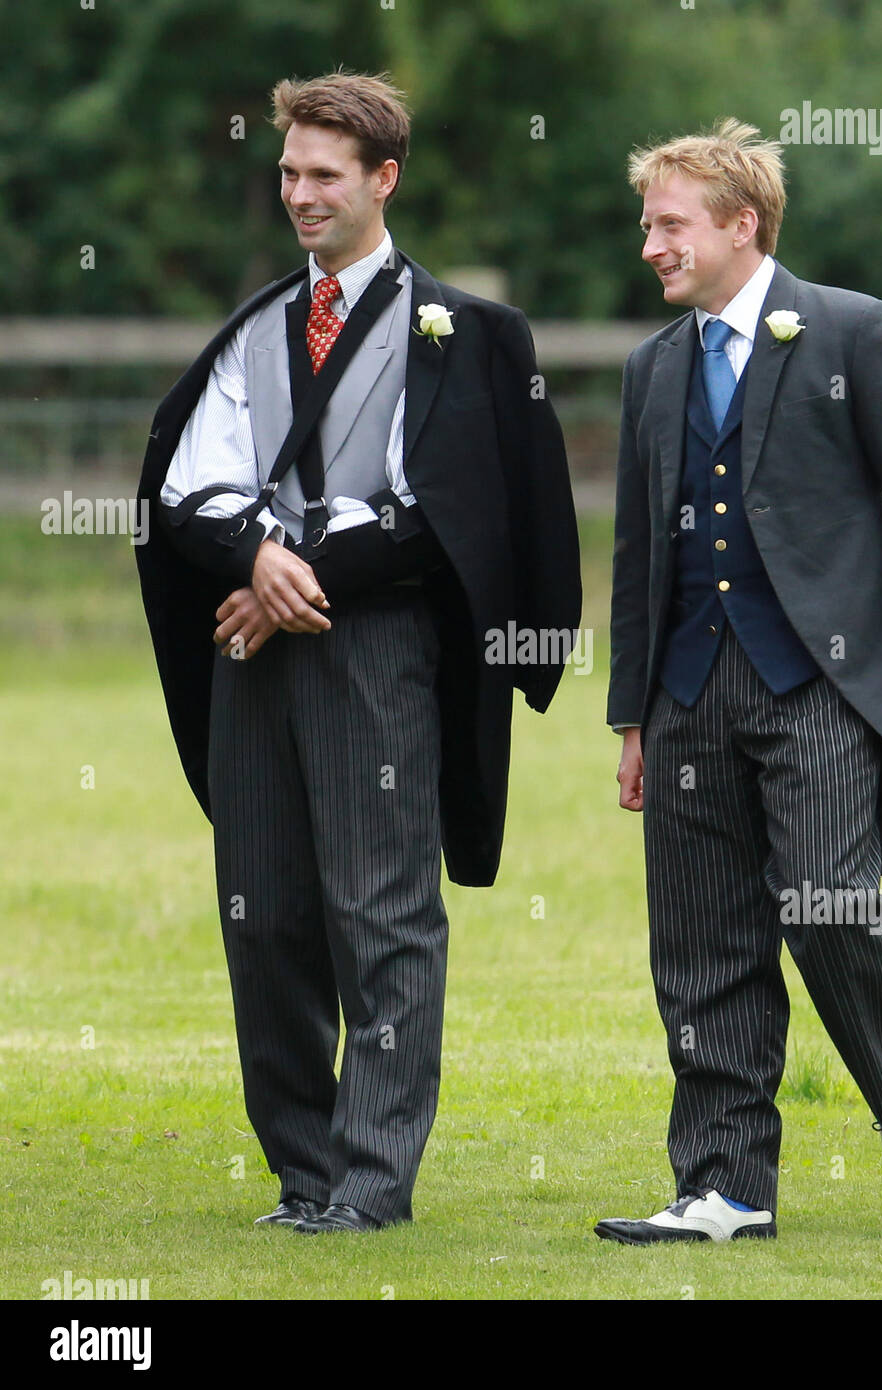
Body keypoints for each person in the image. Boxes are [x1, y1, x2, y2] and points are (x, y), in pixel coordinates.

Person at [135, 71, 580, 1235]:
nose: (300, 194)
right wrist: (253, 556)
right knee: (263, 912)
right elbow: (188, 485)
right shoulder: (255, 328)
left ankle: (374, 1184)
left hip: (376, 654)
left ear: (385, 178)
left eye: (324, 174)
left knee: (381, 916)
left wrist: (296, 581)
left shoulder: (466, 333)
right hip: (254, 659)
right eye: (287, 171)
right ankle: (305, 1173)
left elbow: (456, 515)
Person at [596, 119, 882, 1246]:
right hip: (687, 694)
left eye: (668, 226)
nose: (651, 247)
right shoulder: (651, 368)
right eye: (647, 227)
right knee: (701, 938)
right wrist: (634, 717)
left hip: (821, 686)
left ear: (740, 226)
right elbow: (639, 558)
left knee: (829, 909)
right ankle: (726, 1185)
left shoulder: (853, 332)